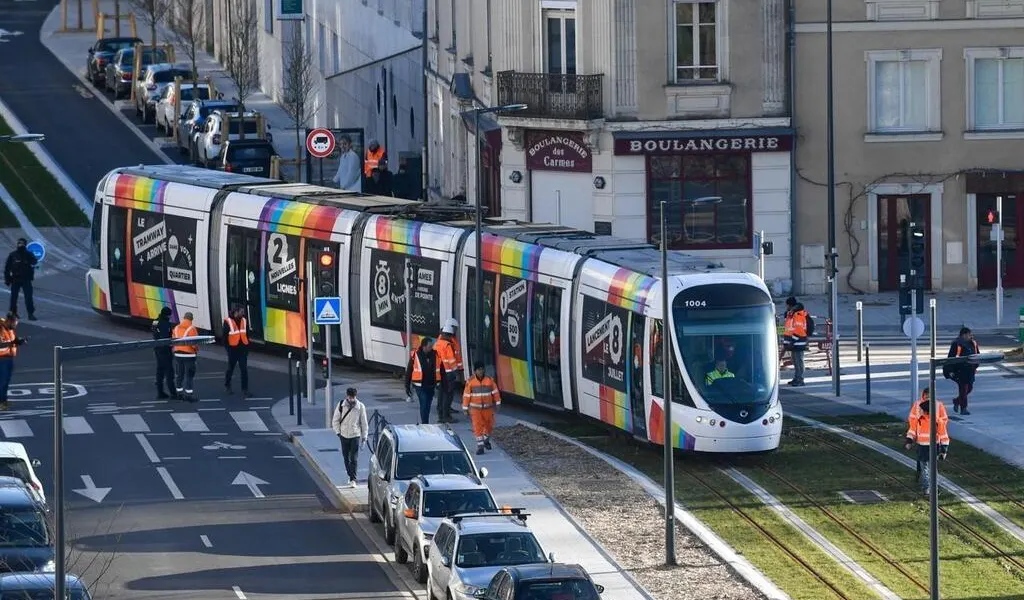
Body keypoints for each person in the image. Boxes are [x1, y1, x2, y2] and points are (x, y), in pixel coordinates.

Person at [904, 394, 950, 494]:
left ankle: (929, 487)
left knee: (927, 468)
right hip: (926, 446)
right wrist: (909, 440)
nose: (919, 411)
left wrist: (943, 450)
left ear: (926, 411)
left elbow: (943, 436)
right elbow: (913, 430)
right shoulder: (932, 420)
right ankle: (930, 487)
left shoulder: (933, 421)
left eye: (920, 410)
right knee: (929, 468)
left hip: (929, 447)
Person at [332, 387, 368, 488]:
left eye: (353, 397)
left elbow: (364, 423)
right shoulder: (341, 405)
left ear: (355, 396)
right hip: (343, 435)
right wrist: (338, 433)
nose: (351, 399)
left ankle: (353, 479)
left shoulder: (360, 406)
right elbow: (335, 420)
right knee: (346, 457)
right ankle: (350, 474)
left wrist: (364, 437)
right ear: (347, 396)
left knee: (354, 458)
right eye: (350, 397)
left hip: (355, 435)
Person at [462, 362, 500, 455]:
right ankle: (480, 447)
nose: (481, 371)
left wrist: (498, 403)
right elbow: (466, 395)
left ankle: (486, 440)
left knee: (489, 426)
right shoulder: (470, 381)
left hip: (488, 408)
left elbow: (495, 392)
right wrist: (465, 408)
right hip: (475, 410)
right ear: (475, 371)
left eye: (482, 369)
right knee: (477, 427)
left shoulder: (489, 380)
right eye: (479, 369)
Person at [405, 337, 441, 425]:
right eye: (429, 346)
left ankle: (425, 422)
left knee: (427, 405)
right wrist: (407, 386)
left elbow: (441, 368)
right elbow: (409, 370)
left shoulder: (434, 354)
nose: (431, 348)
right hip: (419, 385)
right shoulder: (416, 355)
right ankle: (425, 424)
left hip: (431, 385)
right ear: (424, 346)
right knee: (424, 404)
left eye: (432, 346)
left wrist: (442, 383)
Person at [433, 318, 463, 424]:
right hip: (448, 373)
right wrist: (456, 372)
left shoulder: (438, 343)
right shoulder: (447, 345)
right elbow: (451, 360)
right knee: (448, 394)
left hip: (440, 372)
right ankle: (445, 416)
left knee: (442, 394)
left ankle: (442, 413)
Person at [944, 327, 979, 415]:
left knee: (969, 388)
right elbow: (951, 357)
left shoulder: (973, 343)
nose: (971, 336)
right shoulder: (957, 344)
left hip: (970, 370)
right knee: (963, 389)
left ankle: (956, 401)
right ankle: (964, 408)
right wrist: (951, 371)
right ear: (964, 335)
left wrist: (976, 365)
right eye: (969, 335)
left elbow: (977, 354)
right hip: (960, 370)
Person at [4, 239, 37, 321]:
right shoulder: (12, 255)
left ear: (25, 245)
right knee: (13, 298)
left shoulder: (29, 254)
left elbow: (34, 262)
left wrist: (31, 262)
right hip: (15, 279)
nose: (20, 245)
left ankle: (30, 313)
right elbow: (7, 268)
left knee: (28, 297)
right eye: (19, 243)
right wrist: (7, 279)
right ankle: (13, 313)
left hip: (26, 279)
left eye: (22, 243)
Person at [223, 307, 251, 397]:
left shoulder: (244, 320)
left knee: (244, 370)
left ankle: (245, 389)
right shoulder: (228, 322)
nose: (243, 313)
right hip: (233, 350)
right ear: (236, 312)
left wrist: (247, 348)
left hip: (242, 349)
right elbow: (225, 337)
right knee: (230, 369)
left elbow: (247, 334)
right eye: (241, 312)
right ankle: (227, 385)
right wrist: (228, 349)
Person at [0, 313, 26, 411]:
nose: (15, 326)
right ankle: (1, 402)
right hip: (1, 359)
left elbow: (13, 339)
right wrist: (12, 343)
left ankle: (3, 400)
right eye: (14, 323)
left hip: (8, 358)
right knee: (2, 382)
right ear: (9, 321)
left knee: (6, 381)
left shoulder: (10, 329)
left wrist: (19, 341)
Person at [782, 297, 809, 386]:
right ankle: (796, 378)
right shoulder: (792, 314)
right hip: (794, 343)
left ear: (790, 305)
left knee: (798, 361)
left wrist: (792, 341)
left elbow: (799, 330)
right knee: (795, 361)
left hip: (798, 342)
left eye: (787, 305)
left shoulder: (797, 315)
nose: (786, 307)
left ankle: (800, 379)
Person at [172, 311, 199, 401]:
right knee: (189, 375)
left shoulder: (176, 328)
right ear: (191, 319)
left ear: (184, 318)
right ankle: (188, 395)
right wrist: (196, 350)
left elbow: (173, 340)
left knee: (179, 374)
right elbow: (194, 343)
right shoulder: (192, 328)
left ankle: (179, 393)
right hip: (189, 355)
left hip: (177, 354)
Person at [151, 306, 175, 399]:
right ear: (167, 315)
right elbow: (165, 337)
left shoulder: (155, 321)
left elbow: (154, 332)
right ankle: (173, 393)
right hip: (165, 350)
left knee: (160, 371)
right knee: (169, 371)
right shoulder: (165, 323)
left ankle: (160, 392)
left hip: (157, 348)